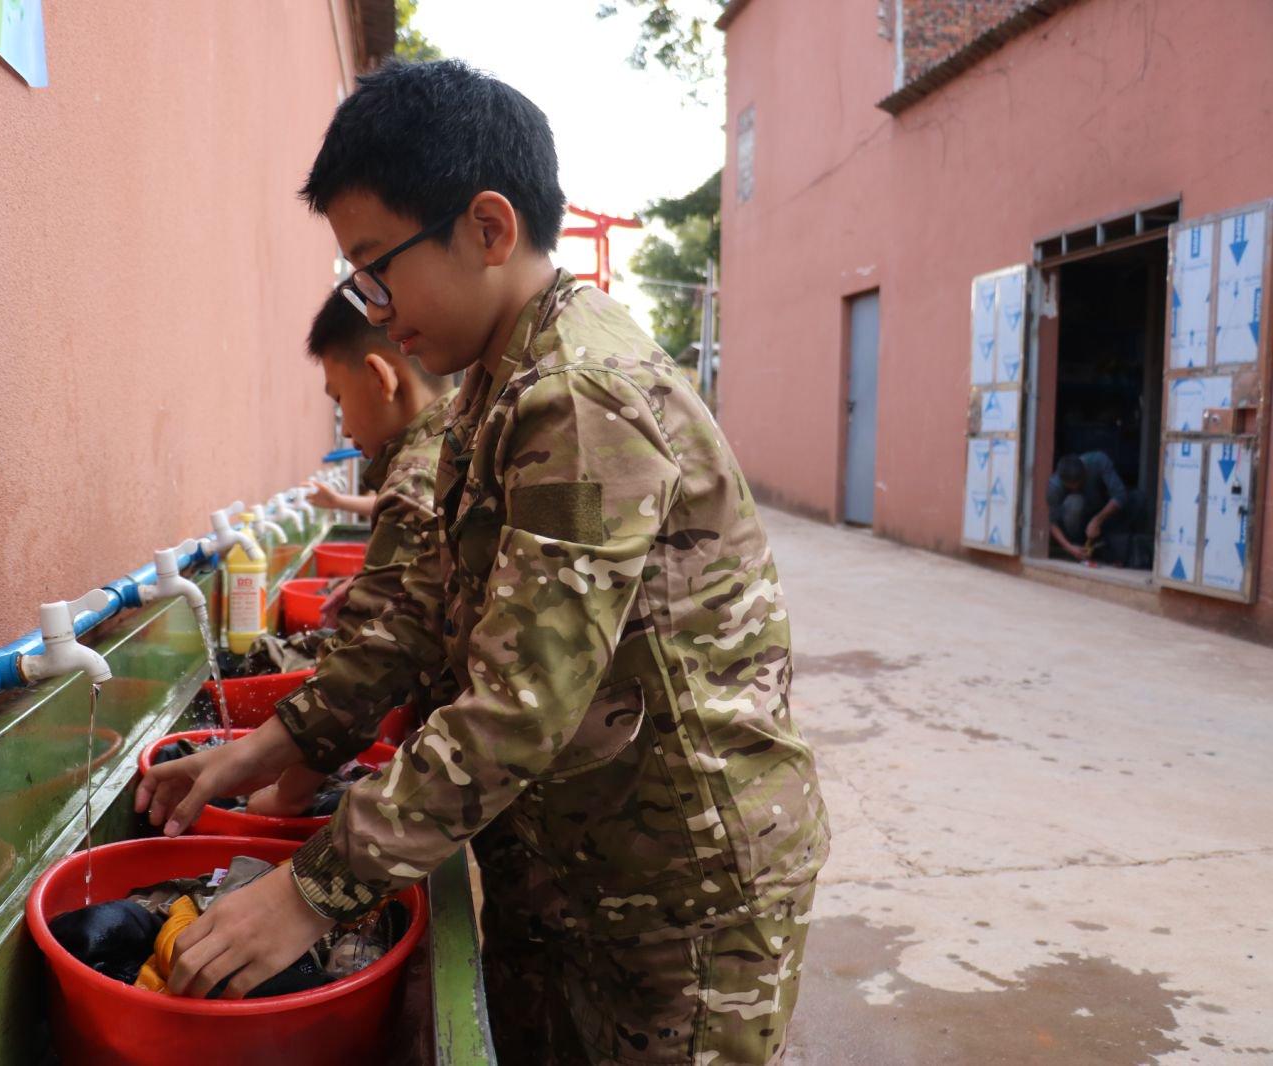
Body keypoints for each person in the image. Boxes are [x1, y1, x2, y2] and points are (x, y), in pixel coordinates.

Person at [136, 59, 829, 1065]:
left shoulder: (578, 394)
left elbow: (521, 703)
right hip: (570, 862)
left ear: (488, 228)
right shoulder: (493, 389)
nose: (374, 306)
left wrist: (312, 891)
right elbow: (421, 613)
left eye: (377, 266)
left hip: (674, 897)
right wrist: (272, 746)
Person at [248, 290, 454, 816]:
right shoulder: (456, 439)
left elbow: (366, 661)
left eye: (338, 399)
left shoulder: (414, 477)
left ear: (381, 378)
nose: (342, 426)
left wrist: (287, 793)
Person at [1047, 451, 1130, 563]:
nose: (1076, 489)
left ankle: (1111, 543)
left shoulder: (1098, 461)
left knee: (1138, 499)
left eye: (1079, 484)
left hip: (1103, 514)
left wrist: (1098, 520)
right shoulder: (1054, 486)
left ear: (1085, 472)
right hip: (1075, 527)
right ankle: (1079, 547)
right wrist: (1069, 547)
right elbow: (1052, 522)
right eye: (1071, 488)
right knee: (1074, 502)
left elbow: (1120, 495)